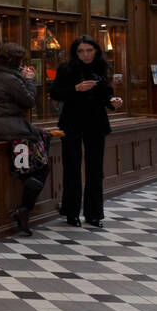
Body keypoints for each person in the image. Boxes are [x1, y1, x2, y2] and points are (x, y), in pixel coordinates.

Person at [50, 35, 124, 227]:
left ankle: (94, 214)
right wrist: (76, 88)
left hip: (96, 122)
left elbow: (107, 94)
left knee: (95, 169)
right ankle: (71, 212)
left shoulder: (102, 67)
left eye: (89, 50)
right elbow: (55, 93)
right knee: (72, 168)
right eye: (81, 51)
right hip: (72, 122)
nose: (85, 55)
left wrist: (113, 102)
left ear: (96, 50)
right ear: (75, 53)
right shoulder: (66, 69)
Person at [0, 43, 49, 236]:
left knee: (29, 165)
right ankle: (24, 209)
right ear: (16, 62)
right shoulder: (11, 79)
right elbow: (29, 102)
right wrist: (30, 80)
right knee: (38, 167)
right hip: (15, 135)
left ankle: (23, 204)